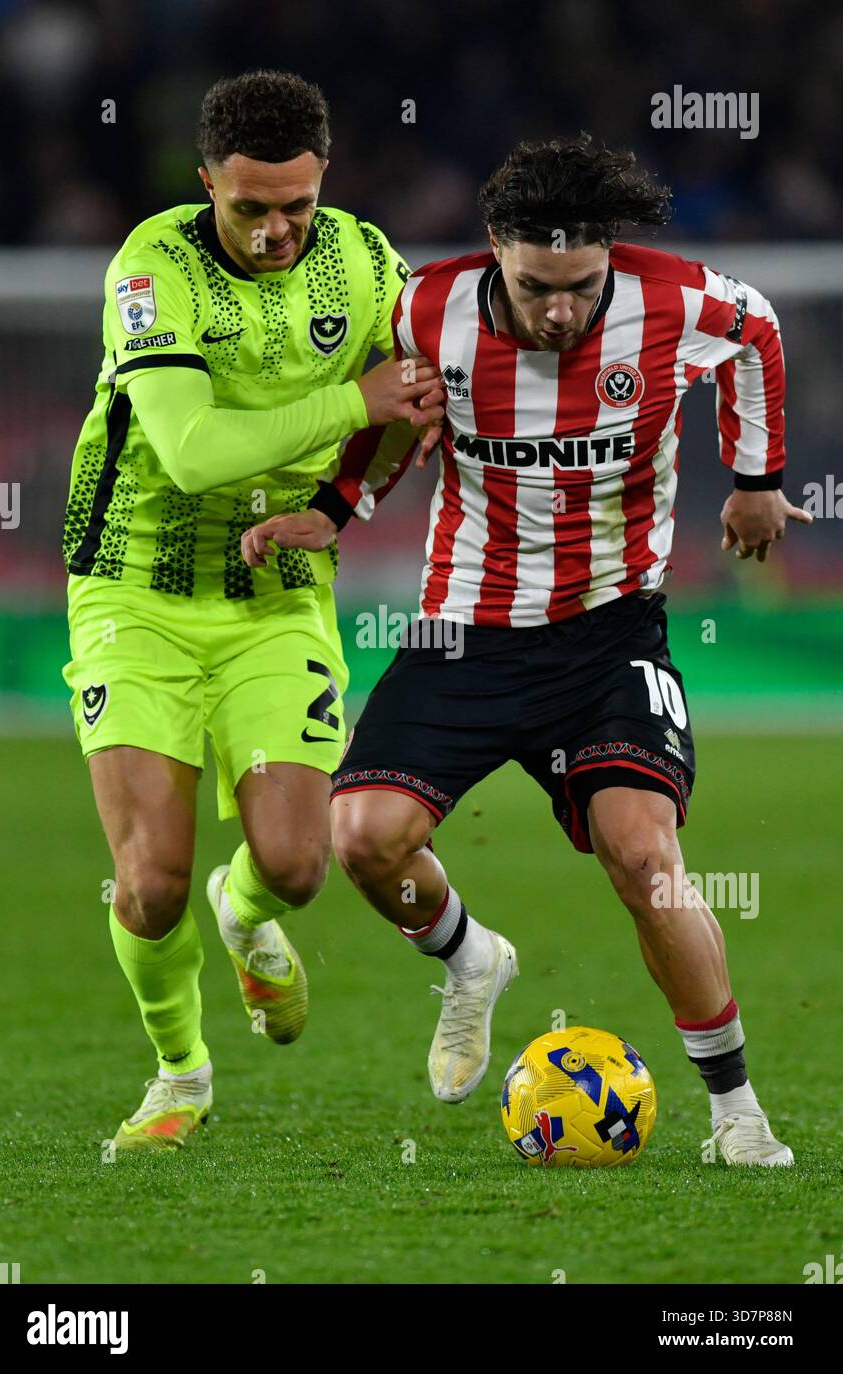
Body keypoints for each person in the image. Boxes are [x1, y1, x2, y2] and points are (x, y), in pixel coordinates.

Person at [243, 136, 811, 1166]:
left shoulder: (674, 302)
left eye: (581, 287)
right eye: (538, 287)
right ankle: (470, 959)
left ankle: (736, 1113)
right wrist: (335, 506)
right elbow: (392, 416)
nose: (560, 310)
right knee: (363, 837)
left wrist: (754, 476)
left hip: (609, 634)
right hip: (464, 628)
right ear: (495, 246)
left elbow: (758, 330)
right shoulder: (425, 306)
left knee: (643, 859)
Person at [61, 69, 443, 1149]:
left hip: (274, 592)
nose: (277, 232)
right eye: (249, 208)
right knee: (146, 885)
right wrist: (355, 400)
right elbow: (190, 454)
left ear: (324, 183)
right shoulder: (153, 266)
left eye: (297, 207)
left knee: (292, 867)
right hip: (135, 590)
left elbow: (420, 400)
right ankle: (180, 1072)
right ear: (204, 185)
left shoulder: (366, 262)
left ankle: (247, 917)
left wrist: (337, 498)